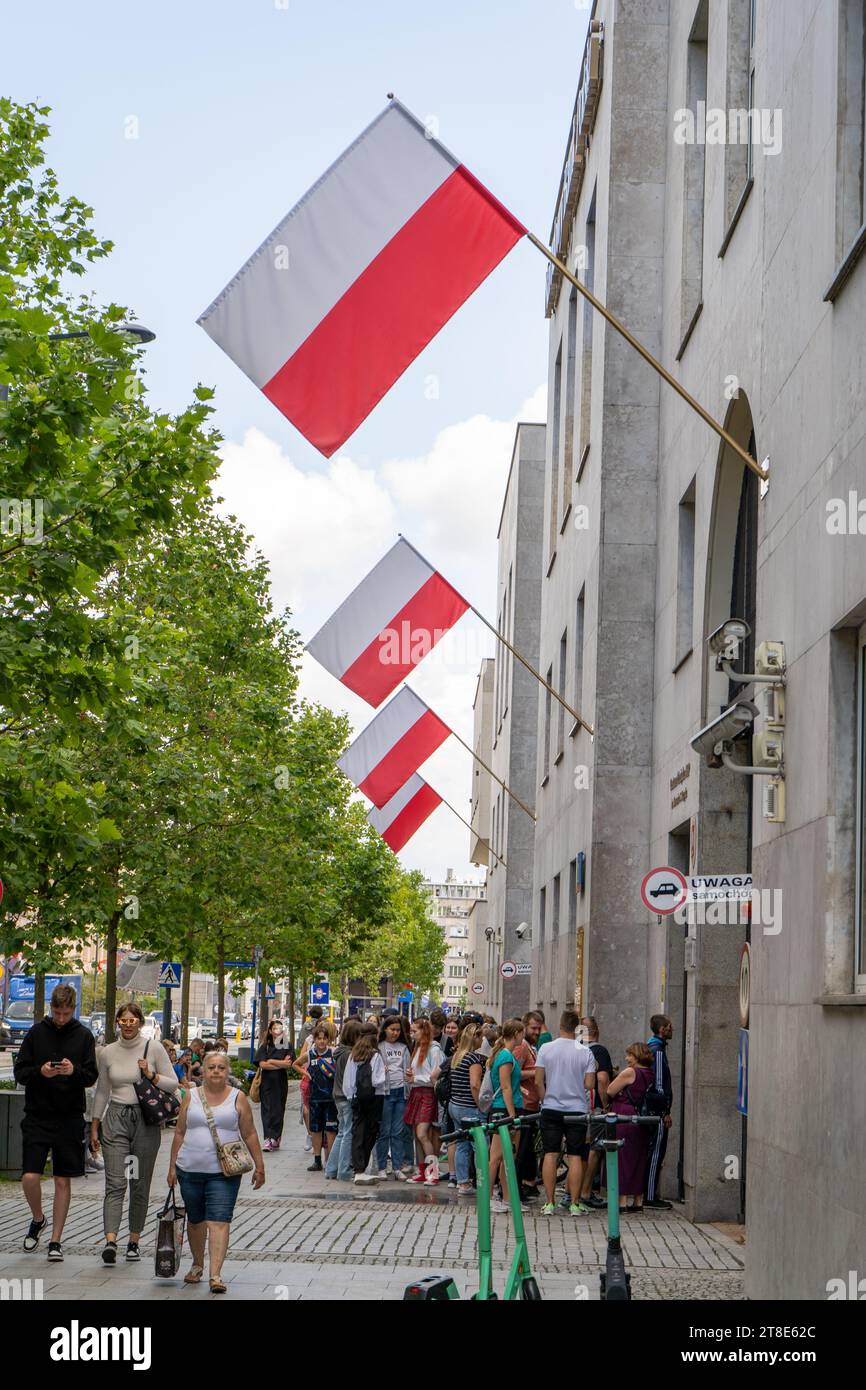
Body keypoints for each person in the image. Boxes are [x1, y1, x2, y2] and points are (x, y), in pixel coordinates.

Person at [168, 1050, 265, 1293]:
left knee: (219, 1219)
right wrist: (172, 1167)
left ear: (227, 1072)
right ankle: (198, 1264)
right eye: (212, 1067)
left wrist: (259, 1165)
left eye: (221, 1067)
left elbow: (250, 1133)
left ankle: (216, 1274)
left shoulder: (238, 1098)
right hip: (189, 1169)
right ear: (203, 1071)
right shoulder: (190, 1096)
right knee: (196, 1219)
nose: (216, 1071)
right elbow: (179, 1132)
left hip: (225, 1172)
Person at [90, 1003, 179, 1264]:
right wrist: (95, 1124)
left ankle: (134, 1240)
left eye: (133, 1020)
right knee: (115, 1182)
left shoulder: (154, 1048)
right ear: (117, 1022)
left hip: (144, 1121)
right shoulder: (107, 1052)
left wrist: (151, 1075)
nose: (128, 1025)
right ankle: (110, 1241)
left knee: (138, 1182)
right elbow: (103, 1091)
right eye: (123, 1020)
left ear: (140, 1022)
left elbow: (174, 1083)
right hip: (116, 1119)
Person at [14, 983, 98, 1261]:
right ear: (51, 1008)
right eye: (57, 1012)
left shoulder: (84, 1036)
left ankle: (55, 1240)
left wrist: (73, 1071)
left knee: (63, 1180)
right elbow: (21, 1072)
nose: (61, 1018)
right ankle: (38, 1218)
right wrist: (41, 1071)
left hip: (70, 1118)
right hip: (38, 1115)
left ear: (74, 1009)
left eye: (66, 1013)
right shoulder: (36, 1033)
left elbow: (90, 1076)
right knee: (30, 1176)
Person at [535, 1009, 596, 1217]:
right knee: (575, 1156)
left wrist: (545, 1098)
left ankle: (549, 1203)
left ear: (560, 1025)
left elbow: (537, 1081)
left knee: (550, 1154)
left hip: (551, 1107)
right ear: (577, 1027)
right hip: (576, 1109)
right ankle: (575, 1203)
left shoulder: (546, 1048)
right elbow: (589, 1084)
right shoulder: (585, 1052)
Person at [606, 1043, 656, 1211]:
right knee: (638, 1158)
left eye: (630, 1055)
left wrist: (618, 1090)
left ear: (637, 1056)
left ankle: (622, 1201)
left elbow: (610, 1090)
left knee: (623, 1157)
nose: (627, 1059)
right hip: (641, 1119)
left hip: (624, 1116)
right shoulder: (651, 1074)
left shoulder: (630, 1072)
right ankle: (638, 1199)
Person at [486, 1018, 525, 1214]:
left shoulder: (504, 1055)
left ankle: (507, 1198)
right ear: (517, 1034)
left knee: (506, 1157)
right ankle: (489, 1197)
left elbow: (510, 1084)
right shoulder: (507, 1057)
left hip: (507, 1106)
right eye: (522, 1033)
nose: (523, 1036)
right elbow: (505, 1086)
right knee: (496, 1157)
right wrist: (511, 1115)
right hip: (504, 1109)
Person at [343, 1024, 387, 1185]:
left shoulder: (353, 1054)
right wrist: (385, 1072)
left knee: (357, 1132)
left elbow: (347, 1080)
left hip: (357, 1098)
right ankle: (361, 1168)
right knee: (371, 1132)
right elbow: (377, 1080)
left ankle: (358, 1169)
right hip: (375, 1098)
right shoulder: (376, 1055)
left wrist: (351, 1095)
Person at [446, 1021, 485, 1196]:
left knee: (461, 1145)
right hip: (469, 1107)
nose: (482, 1040)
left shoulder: (457, 1056)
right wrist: (481, 1106)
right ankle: (482, 1181)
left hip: (455, 1105)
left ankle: (462, 1183)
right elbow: (475, 1084)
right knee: (479, 1146)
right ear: (475, 1037)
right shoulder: (474, 1058)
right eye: (481, 1036)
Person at [579, 1015, 613, 1209]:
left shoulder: (576, 1051)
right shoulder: (598, 1051)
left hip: (576, 1106)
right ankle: (586, 1191)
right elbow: (602, 1080)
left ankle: (574, 1191)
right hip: (595, 1107)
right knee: (595, 1149)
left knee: (579, 1150)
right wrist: (607, 1105)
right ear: (597, 1032)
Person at [405, 1018, 444, 1184]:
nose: (412, 1034)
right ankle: (423, 1172)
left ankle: (432, 1173)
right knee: (418, 1135)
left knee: (422, 1134)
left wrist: (415, 1078)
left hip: (427, 1093)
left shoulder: (434, 1050)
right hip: (417, 1092)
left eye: (415, 1031)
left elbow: (436, 1075)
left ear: (424, 1031)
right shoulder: (418, 1047)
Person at [326, 1017, 364, 1182]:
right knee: (348, 1133)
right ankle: (343, 1170)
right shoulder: (349, 1054)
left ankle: (331, 1169)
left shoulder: (339, 1051)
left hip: (338, 1096)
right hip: (347, 1096)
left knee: (342, 1132)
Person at [513, 1010, 544, 1199]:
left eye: (539, 1029)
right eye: (533, 1028)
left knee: (527, 1151)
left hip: (531, 1105)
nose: (537, 1032)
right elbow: (511, 1074)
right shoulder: (522, 1046)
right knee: (520, 1151)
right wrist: (535, 1073)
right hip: (523, 1105)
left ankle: (526, 1185)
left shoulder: (531, 1046)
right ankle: (514, 1192)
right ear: (524, 1027)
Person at [644, 1015, 674, 1209]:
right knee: (656, 1152)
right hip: (657, 1112)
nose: (673, 1030)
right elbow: (660, 1086)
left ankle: (648, 1192)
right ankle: (649, 1195)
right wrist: (664, 1111)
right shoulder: (658, 1051)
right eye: (670, 1027)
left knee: (652, 1150)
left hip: (652, 1110)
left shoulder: (651, 1048)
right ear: (662, 1029)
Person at [376, 1016, 411, 1179]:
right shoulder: (379, 1047)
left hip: (400, 1092)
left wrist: (408, 1082)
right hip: (385, 1092)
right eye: (392, 1029)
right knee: (384, 1132)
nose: (395, 1033)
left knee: (397, 1132)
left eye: (398, 1030)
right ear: (384, 1029)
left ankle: (397, 1167)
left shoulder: (404, 1048)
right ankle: (382, 1167)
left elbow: (408, 1068)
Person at [255, 1018, 295, 1152]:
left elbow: (288, 1064)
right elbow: (262, 1064)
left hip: (280, 1083)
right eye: (275, 1029)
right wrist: (279, 1064)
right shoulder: (265, 1046)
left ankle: (276, 1137)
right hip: (266, 1083)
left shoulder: (287, 1045)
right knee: (266, 1110)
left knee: (278, 1110)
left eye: (280, 1028)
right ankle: (267, 1138)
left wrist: (271, 1061)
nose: (278, 1031)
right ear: (271, 1031)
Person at [302, 1022, 338, 1171]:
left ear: (328, 1039)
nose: (322, 1041)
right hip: (315, 1098)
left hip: (331, 1098)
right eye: (319, 1038)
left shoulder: (333, 1053)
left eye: (324, 1038)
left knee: (330, 1129)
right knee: (316, 1130)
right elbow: (295, 1064)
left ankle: (329, 1159)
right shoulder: (310, 1054)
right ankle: (317, 1160)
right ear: (314, 1040)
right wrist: (305, 1073)